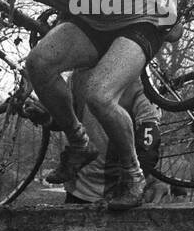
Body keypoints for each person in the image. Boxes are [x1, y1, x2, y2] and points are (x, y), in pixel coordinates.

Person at [2, 0, 179, 212]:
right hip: (93, 18)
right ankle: (79, 144)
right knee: (39, 63)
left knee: (99, 93)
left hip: (136, 18)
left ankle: (132, 175)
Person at [64, 74, 167, 209]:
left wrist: (129, 187)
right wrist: (45, 119)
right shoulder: (76, 77)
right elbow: (65, 122)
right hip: (77, 189)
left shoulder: (141, 84)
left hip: (117, 193)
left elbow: (149, 144)